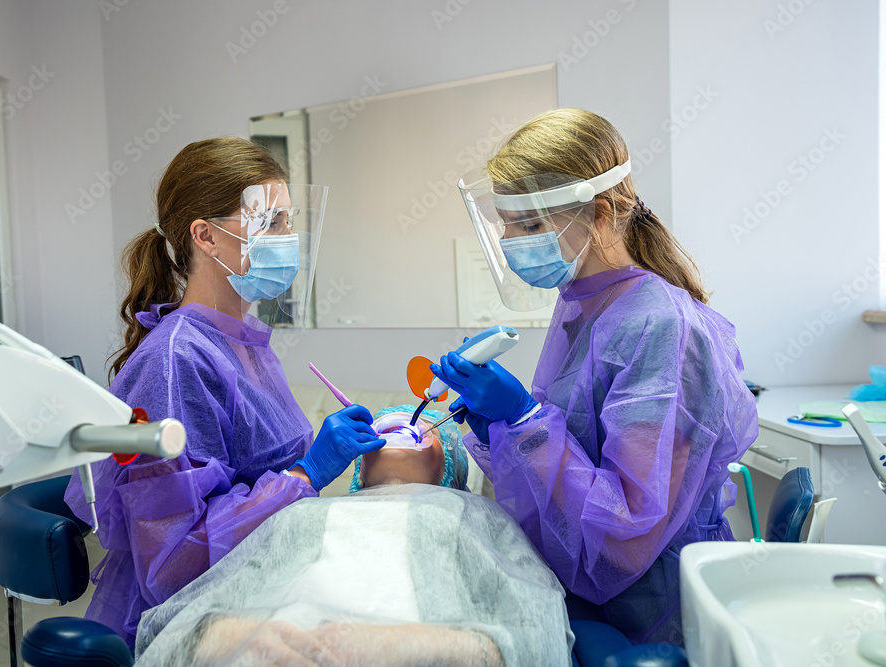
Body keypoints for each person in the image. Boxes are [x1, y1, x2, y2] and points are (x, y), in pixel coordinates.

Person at [430, 108, 759, 645]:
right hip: (585, 594)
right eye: (506, 224)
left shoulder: (659, 327)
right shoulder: (584, 304)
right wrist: (499, 424)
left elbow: (626, 538)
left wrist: (525, 420)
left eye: (531, 224)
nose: (513, 241)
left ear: (600, 213)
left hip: (645, 613)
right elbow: (576, 450)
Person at [64, 137, 386, 648]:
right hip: (200, 622)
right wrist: (307, 472)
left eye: (289, 221)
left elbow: (254, 469)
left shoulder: (241, 340)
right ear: (206, 237)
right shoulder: (175, 363)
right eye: (270, 223)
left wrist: (330, 449)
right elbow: (171, 563)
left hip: (261, 582)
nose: (288, 238)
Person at [132, 406, 574, 667]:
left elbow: (537, 636)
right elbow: (177, 630)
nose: (402, 418)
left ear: (453, 470)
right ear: (358, 469)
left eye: (422, 424)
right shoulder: (302, 516)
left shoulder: (473, 515)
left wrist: (383, 645)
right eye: (385, 423)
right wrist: (250, 637)